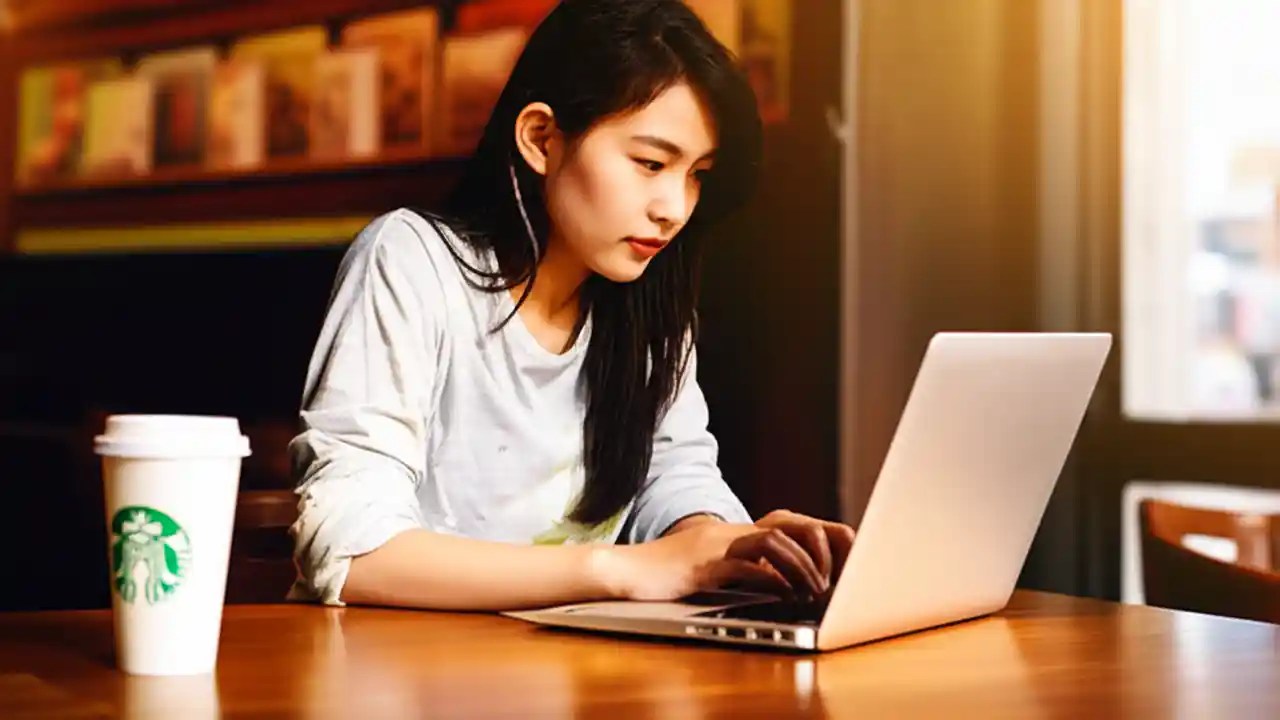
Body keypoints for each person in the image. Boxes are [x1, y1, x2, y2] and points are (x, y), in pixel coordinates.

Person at [288, 0, 855, 612]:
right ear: (540, 139)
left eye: (697, 173)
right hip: (395, 673)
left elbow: (675, 477)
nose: (675, 206)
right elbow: (349, 548)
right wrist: (623, 570)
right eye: (651, 163)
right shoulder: (412, 263)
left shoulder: (647, 306)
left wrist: (721, 547)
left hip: (574, 678)